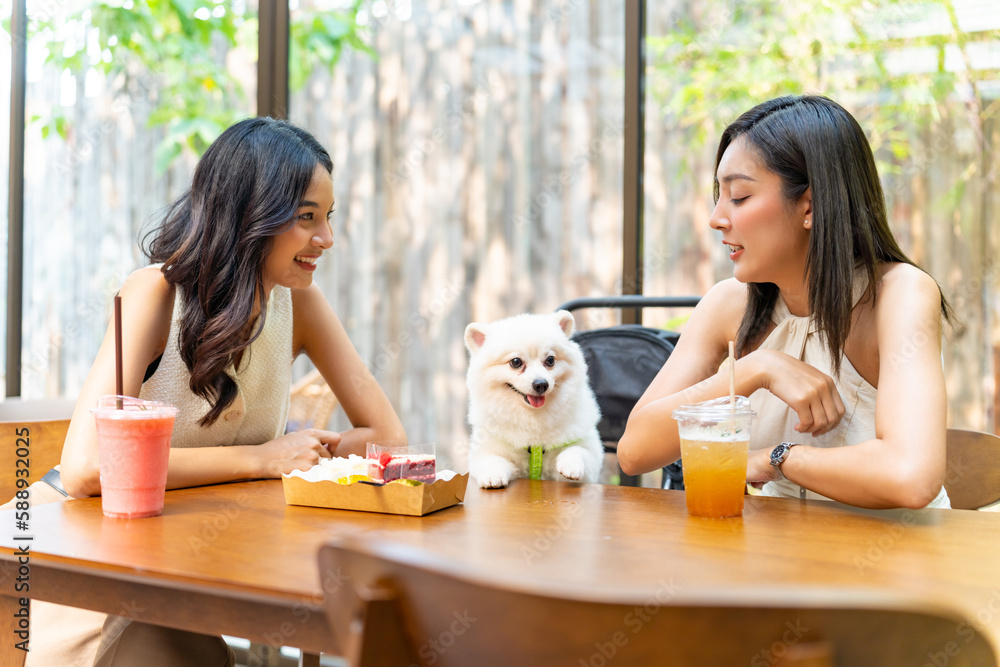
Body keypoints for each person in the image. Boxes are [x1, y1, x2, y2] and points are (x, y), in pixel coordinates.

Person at [26, 117, 407, 666]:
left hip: (188, 553)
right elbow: (89, 469)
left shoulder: (300, 303)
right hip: (85, 554)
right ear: (250, 214)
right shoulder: (155, 294)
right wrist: (262, 459)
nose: (325, 239)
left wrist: (303, 454)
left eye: (328, 218)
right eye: (306, 218)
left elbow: (388, 437)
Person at [617, 95, 952, 510]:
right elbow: (635, 450)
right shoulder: (728, 304)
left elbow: (911, 477)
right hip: (778, 557)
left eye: (738, 196)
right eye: (719, 196)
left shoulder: (899, 295)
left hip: (898, 561)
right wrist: (758, 368)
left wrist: (780, 459)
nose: (716, 218)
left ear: (809, 205)